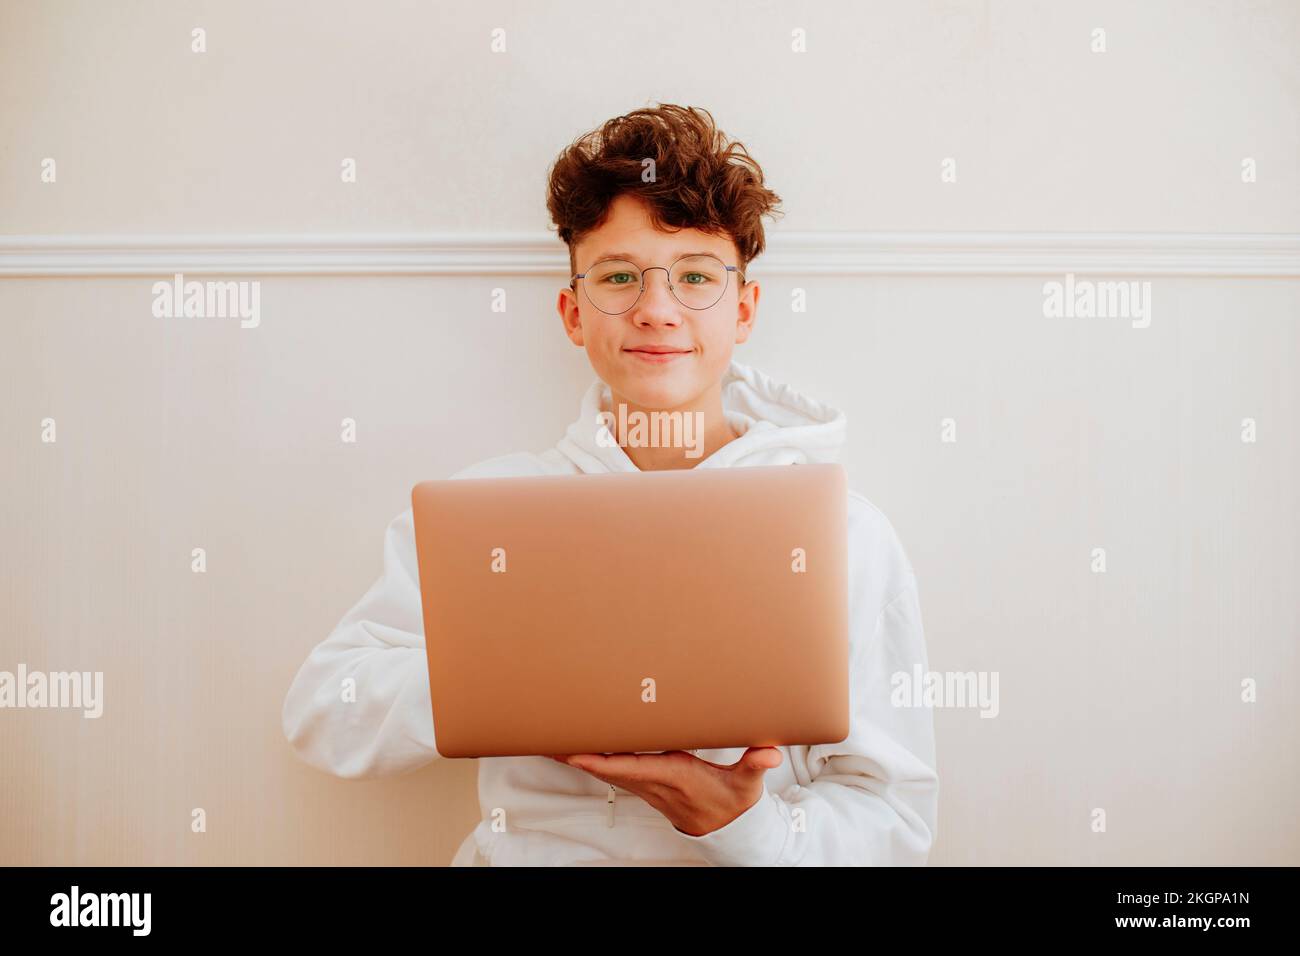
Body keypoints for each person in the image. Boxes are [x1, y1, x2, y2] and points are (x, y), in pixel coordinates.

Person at [282, 103, 938, 866]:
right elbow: (323, 710)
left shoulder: (847, 537)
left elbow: (894, 827)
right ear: (572, 313)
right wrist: (508, 676)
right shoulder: (489, 513)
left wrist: (739, 824)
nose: (657, 310)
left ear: (745, 309)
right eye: (619, 277)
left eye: (695, 277)